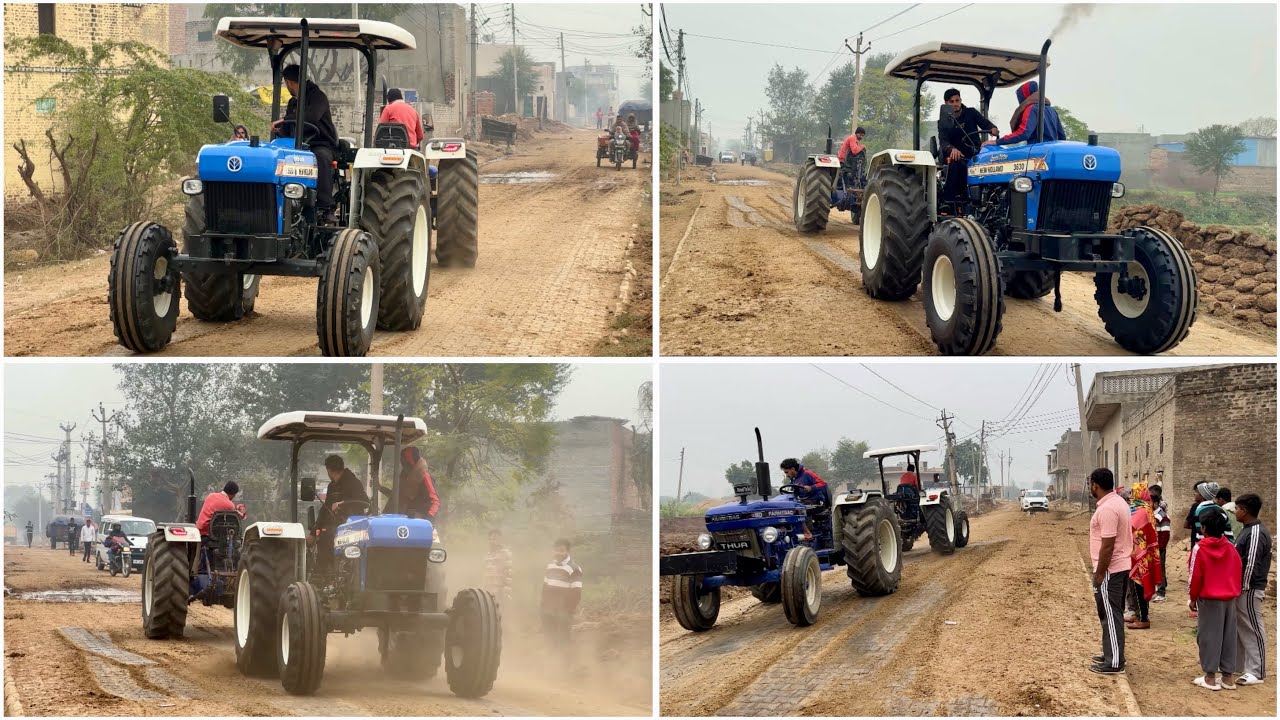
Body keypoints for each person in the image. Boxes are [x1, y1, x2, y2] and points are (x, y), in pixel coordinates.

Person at [271, 64, 340, 219]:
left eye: (286, 83)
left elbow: (311, 117)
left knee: (320, 157)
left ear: (289, 82)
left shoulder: (318, 97)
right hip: (297, 145)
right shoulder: (293, 103)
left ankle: (325, 206)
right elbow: (290, 127)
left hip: (320, 143)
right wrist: (280, 130)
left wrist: (285, 119)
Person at [1189, 506, 1242, 691]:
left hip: (1209, 599)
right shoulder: (1231, 547)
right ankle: (1228, 677)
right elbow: (1238, 570)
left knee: (1208, 636)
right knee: (1229, 636)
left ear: (1203, 528)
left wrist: (1192, 598)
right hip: (1230, 598)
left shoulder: (1199, 548)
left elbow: (1195, 576)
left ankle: (1210, 677)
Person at [1088, 467, 1131, 674]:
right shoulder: (1119, 503)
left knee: (1110, 615)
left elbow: (1108, 545)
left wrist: (1099, 573)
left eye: (1091, 484)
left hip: (1110, 569)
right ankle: (1112, 653)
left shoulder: (1107, 509)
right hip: (1119, 566)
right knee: (1113, 613)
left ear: (1095, 485)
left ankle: (1114, 661)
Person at [1232, 493, 1271, 686]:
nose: (1235, 512)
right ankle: (1243, 666)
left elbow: (1251, 564)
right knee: (1242, 628)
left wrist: (1244, 587)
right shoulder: (1246, 530)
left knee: (1253, 628)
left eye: (1237, 508)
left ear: (1245, 510)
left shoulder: (1255, 532)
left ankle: (1256, 671)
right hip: (1242, 588)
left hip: (1249, 588)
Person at [313, 455, 371, 576]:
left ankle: (324, 574)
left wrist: (342, 504)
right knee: (324, 534)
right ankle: (322, 577)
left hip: (352, 525)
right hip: (335, 525)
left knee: (327, 536)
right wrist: (314, 532)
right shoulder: (332, 486)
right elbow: (326, 510)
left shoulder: (353, 483)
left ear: (329, 470)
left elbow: (364, 501)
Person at [938, 88, 998, 202]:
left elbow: (985, 123)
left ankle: (989, 198)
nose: (955, 104)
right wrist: (952, 149)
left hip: (974, 152)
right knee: (955, 162)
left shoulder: (971, 113)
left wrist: (992, 128)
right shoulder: (943, 122)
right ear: (946, 104)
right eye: (952, 101)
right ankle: (950, 199)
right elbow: (943, 141)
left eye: (957, 100)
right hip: (956, 155)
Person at [981, 80, 1067, 148]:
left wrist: (996, 142)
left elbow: (1023, 133)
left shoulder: (1031, 108)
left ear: (1024, 96)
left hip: (1037, 153)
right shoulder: (1052, 110)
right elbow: (1062, 136)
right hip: (1051, 151)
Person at [1126, 484, 1161, 630]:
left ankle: (1143, 618)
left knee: (1139, 585)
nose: (1131, 496)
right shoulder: (1146, 509)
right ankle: (1139, 614)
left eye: (1133, 493)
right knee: (1140, 585)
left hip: (1140, 554)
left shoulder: (1141, 511)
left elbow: (1133, 528)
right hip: (1144, 553)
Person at [541, 538, 583, 656]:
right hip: (548, 609)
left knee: (564, 637)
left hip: (564, 610)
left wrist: (568, 610)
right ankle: (551, 660)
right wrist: (543, 605)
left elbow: (576, 592)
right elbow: (545, 587)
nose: (558, 553)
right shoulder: (550, 566)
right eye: (556, 550)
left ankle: (566, 662)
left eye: (561, 550)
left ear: (568, 551)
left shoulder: (574, 568)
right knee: (550, 636)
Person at [379, 447, 440, 520]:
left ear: (410, 462)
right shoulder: (405, 476)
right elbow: (396, 496)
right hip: (405, 517)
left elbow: (435, 501)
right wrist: (380, 488)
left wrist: (429, 518)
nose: (403, 465)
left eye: (404, 461)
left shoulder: (424, 476)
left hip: (420, 518)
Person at [1150, 483, 1171, 601]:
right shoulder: (1151, 514)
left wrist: (1161, 547)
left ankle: (1161, 593)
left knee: (1160, 569)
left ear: (1155, 503)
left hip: (1159, 548)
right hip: (1153, 547)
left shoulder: (1163, 516)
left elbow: (1165, 534)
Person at [484, 529, 513, 605]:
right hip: (489, 593)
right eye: (490, 539)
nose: (491, 541)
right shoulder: (488, 555)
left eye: (494, 539)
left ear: (500, 540)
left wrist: (506, 593)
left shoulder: (505, 553)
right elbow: (485, 575)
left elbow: (509, 575)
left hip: (501, 593)